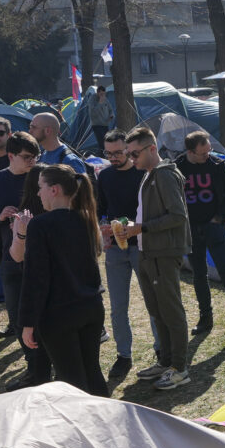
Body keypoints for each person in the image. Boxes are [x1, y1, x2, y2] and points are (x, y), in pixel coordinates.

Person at [15, 164, 108, 396]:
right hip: (91, 307)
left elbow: (35, 278)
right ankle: (107, 416)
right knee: (93, 373)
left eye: (41, 187)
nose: (38, 193)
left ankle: (86, 419)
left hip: (60, 314)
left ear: (54, 190)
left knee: (72, 382)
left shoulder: (40, 225)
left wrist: (27, 323)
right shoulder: (86, 218)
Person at [120, 126, 192, 390]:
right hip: (147, 252)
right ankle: (166, 361)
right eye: (128, 154)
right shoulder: (149, 174)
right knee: (157, 311)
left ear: (152, 148)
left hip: (163, 253)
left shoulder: (164, 175)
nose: (131, 159)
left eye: (135, 153)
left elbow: (178, 216)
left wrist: (142, 228)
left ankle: (180, 368)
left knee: (171, 311)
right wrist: (131, 227)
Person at [0, 132, 43, 365]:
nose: (32, 161)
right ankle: (33, 364)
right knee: (17, 316)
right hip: (10, 257)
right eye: (26, 157)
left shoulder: (42, 177)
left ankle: (44, 363)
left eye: (35, 156)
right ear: (11, 156)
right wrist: (0, 217)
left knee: (44, 314)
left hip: (42, 257)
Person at [177, 130, 225, 340]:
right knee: (199, 275)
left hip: (215, 228)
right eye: (203, 153)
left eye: (209, 150)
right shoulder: (177, 167)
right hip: (191, 229)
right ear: (190, 152)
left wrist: (220, 217)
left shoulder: (218, 165)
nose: (208, 155)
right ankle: (205, 319)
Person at [96, 129, 145, 382]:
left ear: (128, 149)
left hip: (142, 246)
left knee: (152, 302)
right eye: (108, 153)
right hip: (115, 248)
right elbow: (101, 209)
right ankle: (123, 355)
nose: (113, 157)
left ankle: (161, 351)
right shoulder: (104, 176)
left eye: (117, 152)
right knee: (117, 307)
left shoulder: (142, 173)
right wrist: (103, 226)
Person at [29, 113, 91, 177]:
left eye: (33, 128)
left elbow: (82, 183)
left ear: (47, 131)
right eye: (30, 127)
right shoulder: (40, 155)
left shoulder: (70, 161)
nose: (30, 131)